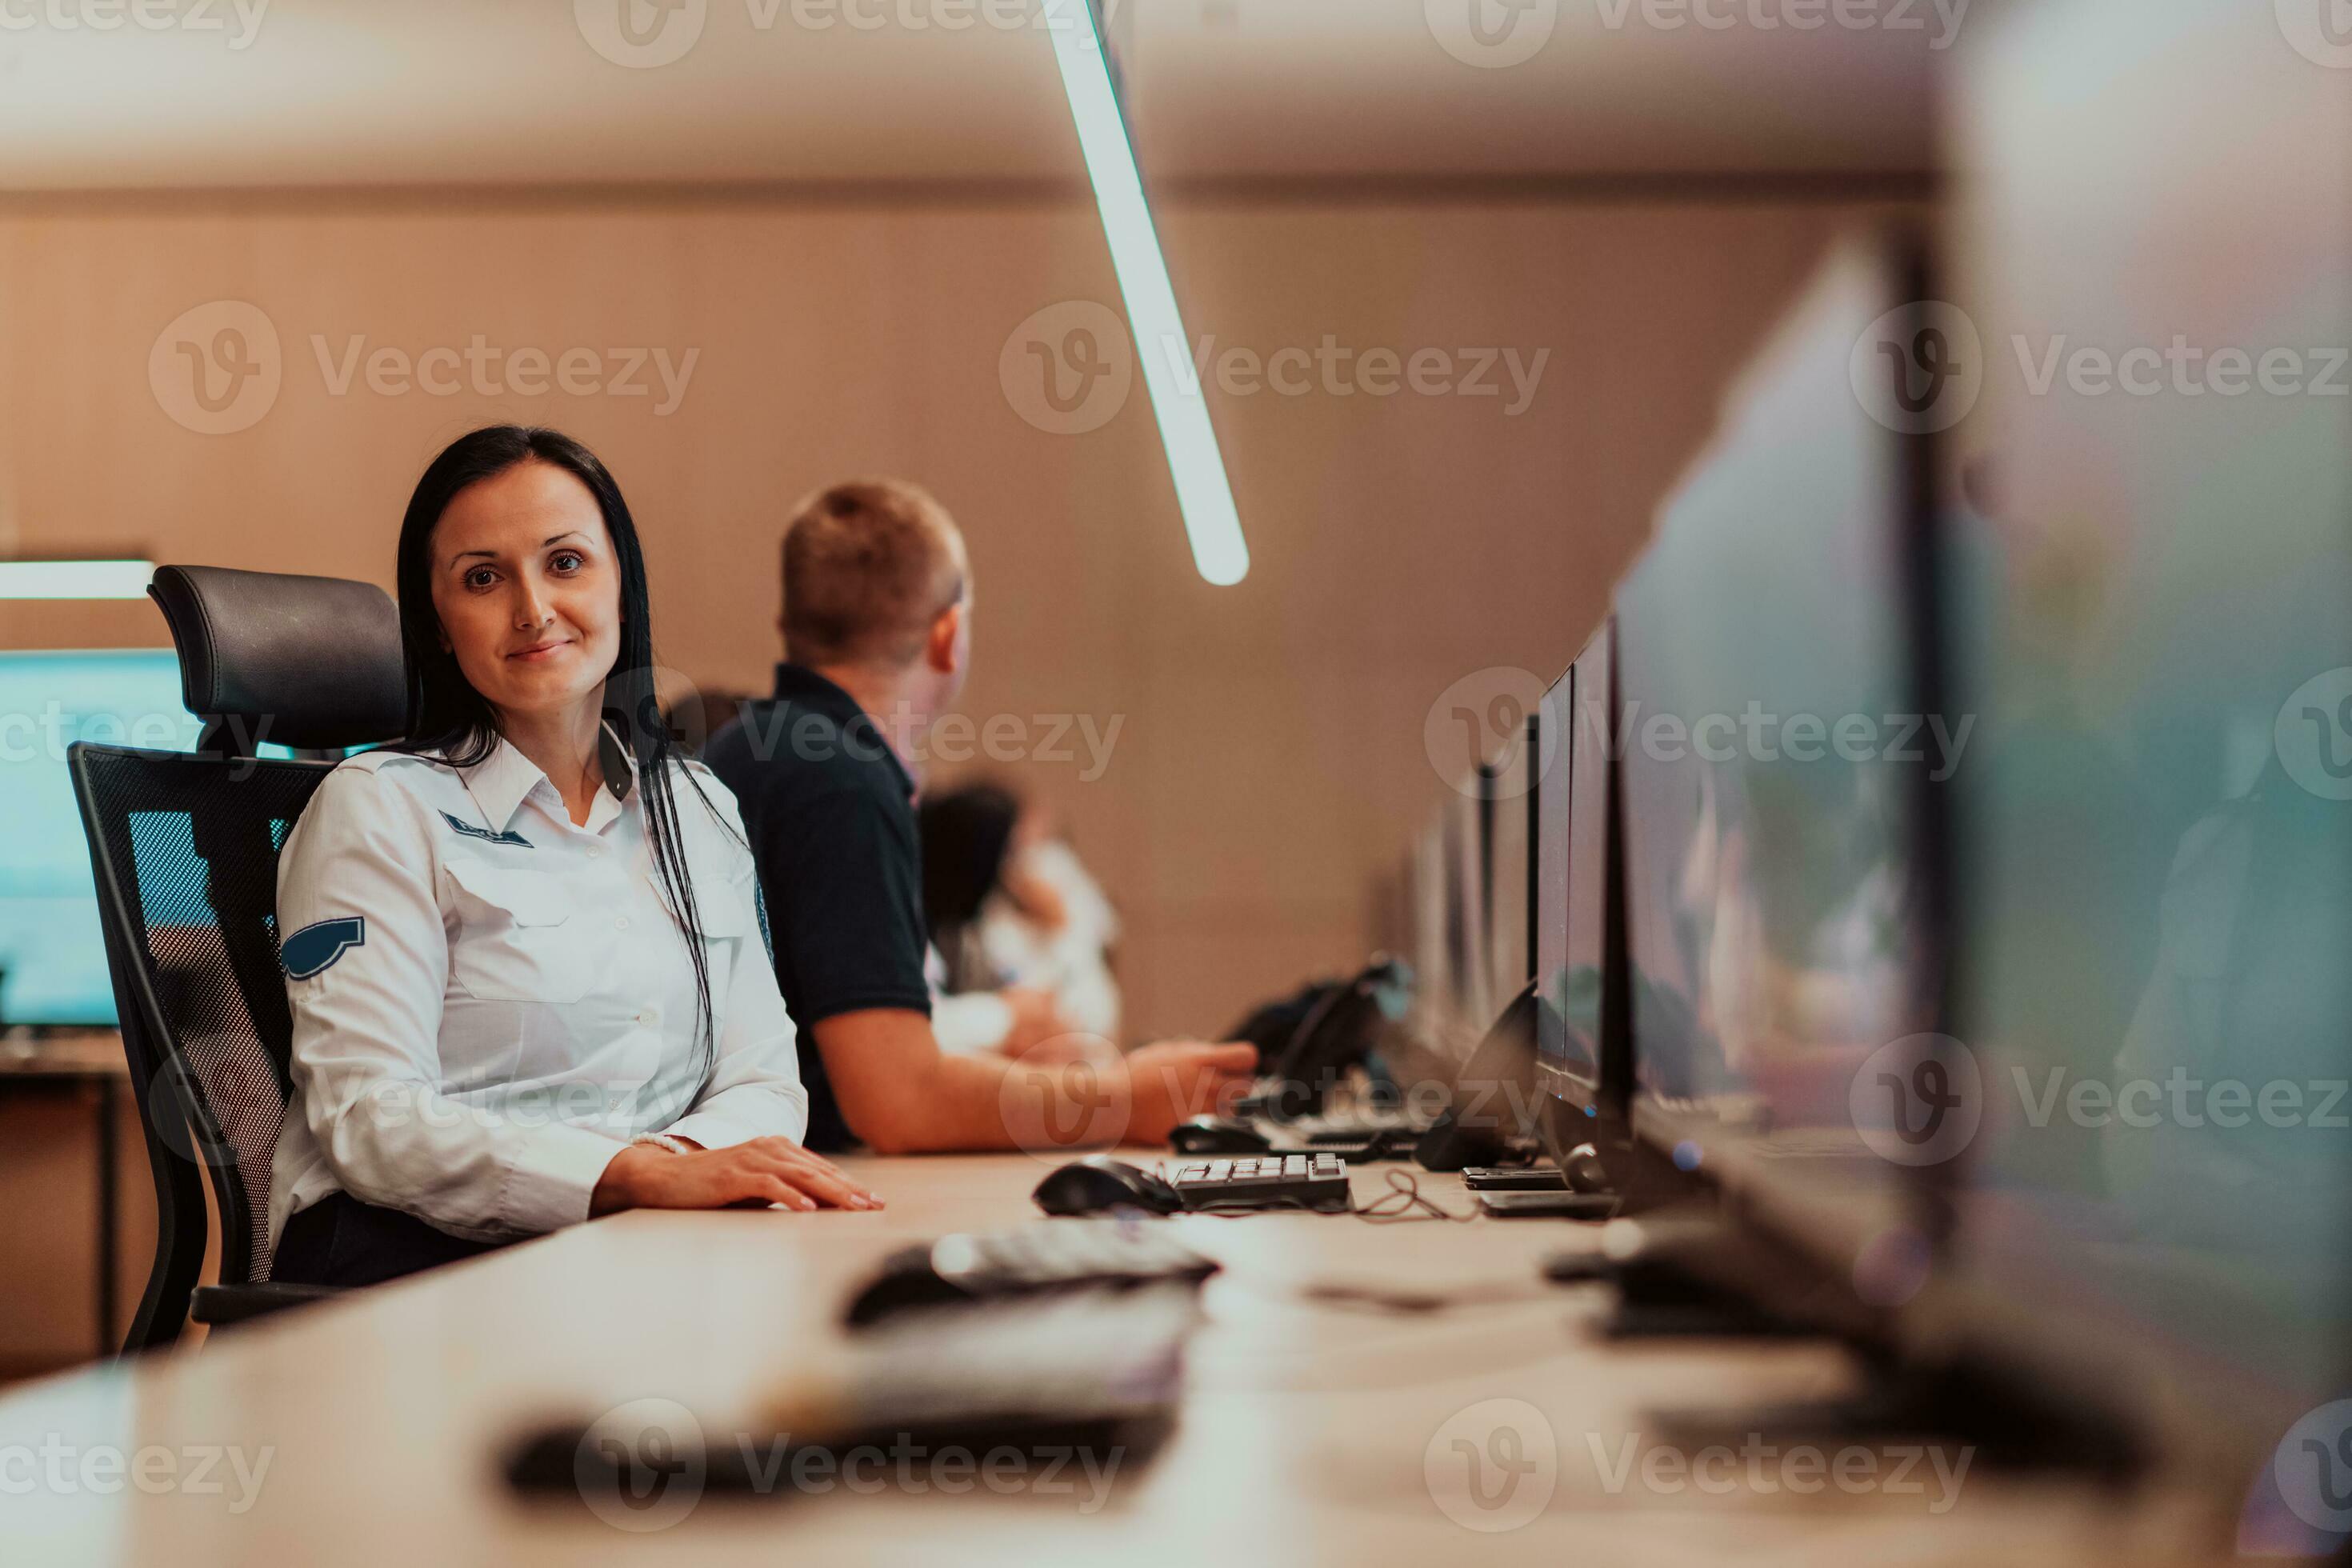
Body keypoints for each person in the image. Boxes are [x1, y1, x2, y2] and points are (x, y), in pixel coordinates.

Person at [267, 426, 879, 1290]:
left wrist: (673, 1167)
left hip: (623, 1254)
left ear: (620, 585)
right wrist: (627, 1176)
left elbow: (763, 1076)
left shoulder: (697, 809)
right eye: (483, 577)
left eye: (565, 563)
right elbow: (373, 1120)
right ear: (437, 624)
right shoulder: (379, 808)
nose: (533, 609)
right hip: (411, 1269)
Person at [702, 478, 1257, 1154]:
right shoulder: (837, 778)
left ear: (788, 628)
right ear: (948, 635)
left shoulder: (760, 747)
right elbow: (898, 1101)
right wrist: (1126, 1100)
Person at [920, 781, 1122, 1054]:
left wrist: (1060, 927)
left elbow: (1090, 1016)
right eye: (1012, 852)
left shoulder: (1049, 884)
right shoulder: (975, 920)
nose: (1021, 867)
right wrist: (1009, 1014)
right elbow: (919, 1032)